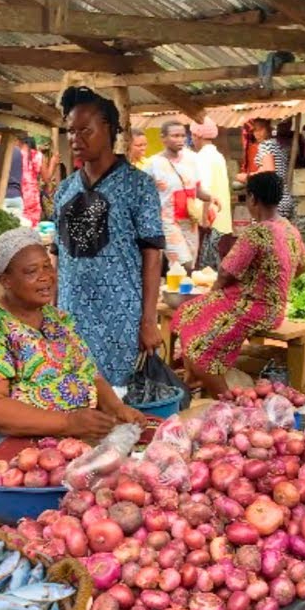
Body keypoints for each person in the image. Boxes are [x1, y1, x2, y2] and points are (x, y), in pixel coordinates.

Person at [0, 228, 147, 461]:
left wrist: (117, 410)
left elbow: (92, 376)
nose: (45, 276)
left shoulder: (55, 319)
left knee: (151, 439)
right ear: (5, 280)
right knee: (59, 470)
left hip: (66, 433)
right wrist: (67, 423)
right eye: (31, 271)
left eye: (47, 266)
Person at [55, 86, 165, 387]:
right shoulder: (65, 190)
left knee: (117, 405)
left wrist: (147, 320)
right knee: (73, 396)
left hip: (119, 319)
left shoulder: (137, 186)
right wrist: (50, 316)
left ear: (110, 129)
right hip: (70, 317)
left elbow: (152, 255)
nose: (76, 139)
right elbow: (58, 257)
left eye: (85, 131)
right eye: (71, 131)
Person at [173, 172, 305, 399]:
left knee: (199, 346)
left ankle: (226, 399)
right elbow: (302, 267)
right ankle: (194, 381)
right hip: (275, 306)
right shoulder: (289, 229)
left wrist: (214, 294)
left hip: (253, 306)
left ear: (253, 199)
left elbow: (226, 273)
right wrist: (274, 283)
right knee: (190, 313)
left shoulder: (257, 232)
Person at [146, 121, 220, 267]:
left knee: (190, 265)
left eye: (182, 135)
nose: (180, 140)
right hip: (167, 221)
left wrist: (211, 198)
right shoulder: (153, 164)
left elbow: (197, 190)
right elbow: (141, 194)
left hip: (190, 221)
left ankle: (178, 290)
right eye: (175, 136)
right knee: (183, 262)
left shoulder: (191, 160)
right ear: (163, 138)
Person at [189, 117, 233, 270]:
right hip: (223, 223)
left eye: (192, 135)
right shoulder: (218, 156)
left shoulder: (202, 158)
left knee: (205, 272)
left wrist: (203, 221)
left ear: (197, 135)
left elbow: (204, 190)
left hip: (210, 224)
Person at [236, 118, 295, 220]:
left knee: (263, 233)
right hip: (284, 197)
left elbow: (269, 170)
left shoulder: (266, 145)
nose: (257, 134)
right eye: (255, 130)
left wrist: (247, 177)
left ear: (268, 128)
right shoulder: (280, 144)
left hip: (271, 202)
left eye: (260, 129)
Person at [19, 136, 44, 226]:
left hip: (19, 192)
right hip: (32, 194)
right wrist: (53, 162)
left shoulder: (16, 154)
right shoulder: (38, 155)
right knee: (33, 223)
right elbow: (47, 178)